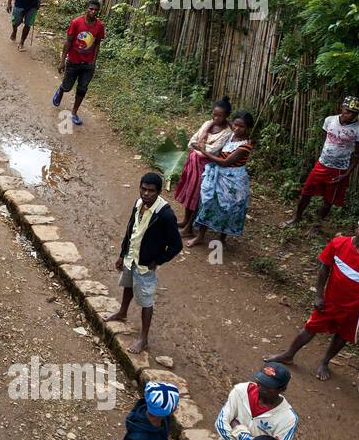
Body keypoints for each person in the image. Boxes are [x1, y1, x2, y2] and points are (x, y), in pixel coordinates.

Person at [265, 214, 359, 379]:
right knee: (310, 327)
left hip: (355, 306)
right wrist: (319, 295)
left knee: (343, 336)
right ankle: (288, 354)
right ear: (357, 227)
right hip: (330, 300)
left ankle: (325, 362)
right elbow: (324, 269)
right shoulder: (338, 243)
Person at [102, 173, 183, 354]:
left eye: (151, 191)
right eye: (143, 189)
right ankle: (122, 313)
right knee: (128, 284)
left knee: (146, 300)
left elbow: (177, 245)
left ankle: (143, 338)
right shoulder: (138, 204)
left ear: (158, 192)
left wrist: (158, 260)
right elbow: (130, 230)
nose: (146, 194)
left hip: (147, 263)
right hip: (132, 257)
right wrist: (123, 254)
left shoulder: (165, 214)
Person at [282, 97, 359, 227]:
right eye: (348, 111)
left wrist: (346, 174)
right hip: (321, 164)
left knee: (329, 200)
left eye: (354, 113)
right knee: (306, 192)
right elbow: (326, 139)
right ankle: (296, 217)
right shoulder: (330, 120)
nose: (350, 115)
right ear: (342, 108)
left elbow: (358, 154)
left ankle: (316, 225)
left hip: (339, 170)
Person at [186, 111, 256, 246]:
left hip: (234, 179)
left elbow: (224, 162)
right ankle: (201, 236)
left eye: (241, 127)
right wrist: (209, 126)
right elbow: (222, 120)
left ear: (248, 128)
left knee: (229, 208)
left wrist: (203, 151)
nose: (236, 128)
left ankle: (222, 238)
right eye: (235, 125)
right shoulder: (232, 134)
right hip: (218, 175)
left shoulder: (245, 146)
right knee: (207, 202)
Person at [175, 99, 233, 233]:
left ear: (226, 116)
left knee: (198, 196)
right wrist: (202, 148)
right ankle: (185, 220)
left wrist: (201, 147)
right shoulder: (207, 124)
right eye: (214, 114)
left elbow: (213, 150)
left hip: (207, 167)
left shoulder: (227, 133)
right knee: (190, 192)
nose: (216, 118)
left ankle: (189, 227)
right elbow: (192, 141)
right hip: (194, 162)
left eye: (220, 116)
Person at [52, 0, 104, 126]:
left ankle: (74, 113)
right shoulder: (76, 22)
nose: (93, 11)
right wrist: (62, 60)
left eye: (96, 10)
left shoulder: (99, 26)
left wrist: (94, 61)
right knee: (68, 87)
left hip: (88, 65)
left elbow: (97, 44)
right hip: (73, 62)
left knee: (82, 89)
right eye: (91, 9)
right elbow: (68, 42)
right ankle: (61, 90)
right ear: (86, 8)